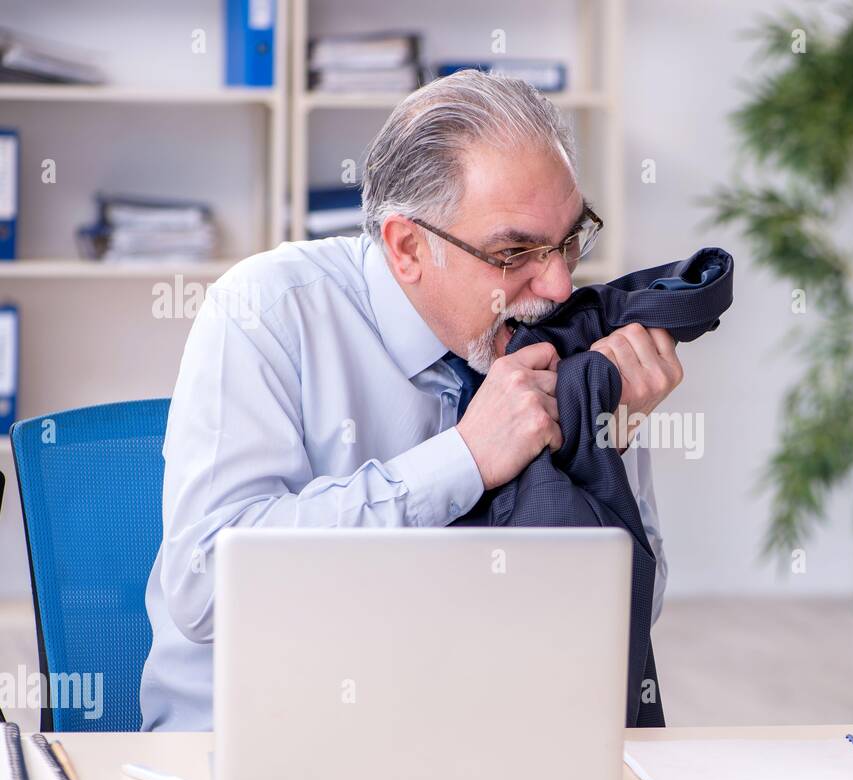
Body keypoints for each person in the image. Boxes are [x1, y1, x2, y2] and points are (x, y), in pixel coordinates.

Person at [139, 70, 682, 730]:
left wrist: (600, 464)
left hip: (475, 739)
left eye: (571, 238)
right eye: (515, 252)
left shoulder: (569, 347)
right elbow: (204, 587)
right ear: (407, 247)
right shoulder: (266, 312)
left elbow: (630, 616)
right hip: (268, 743)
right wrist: (463, 461)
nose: (561, 284)